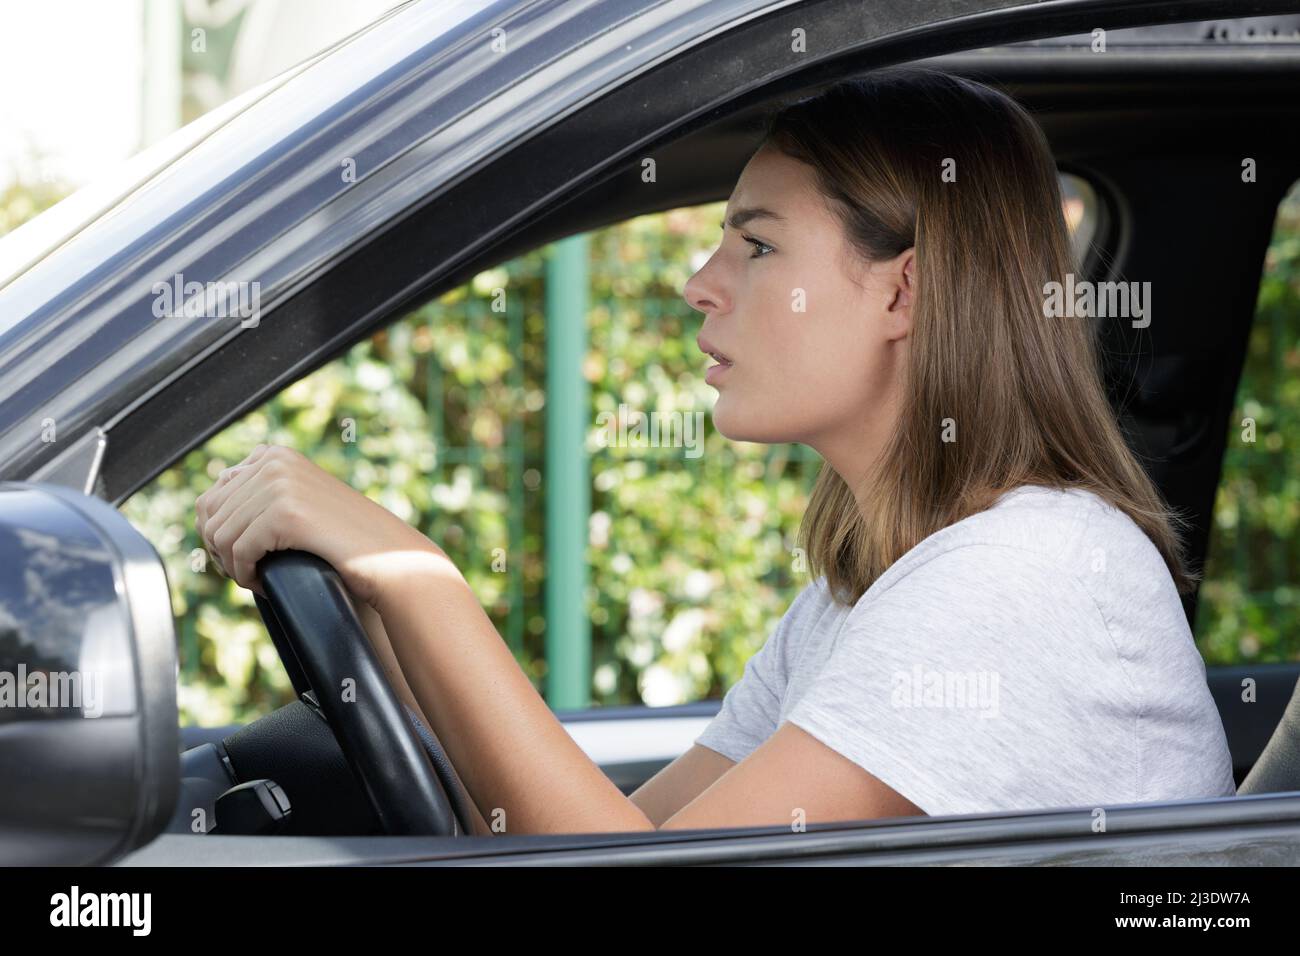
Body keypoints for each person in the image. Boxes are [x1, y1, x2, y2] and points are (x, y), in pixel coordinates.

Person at [195, 67, 1235, 835]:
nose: (699, 280)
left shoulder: (1024, 578)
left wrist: (418, 576)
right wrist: (384, 627)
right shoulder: (861, 597)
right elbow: (606, 836)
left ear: (901, 291)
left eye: (757, 243)